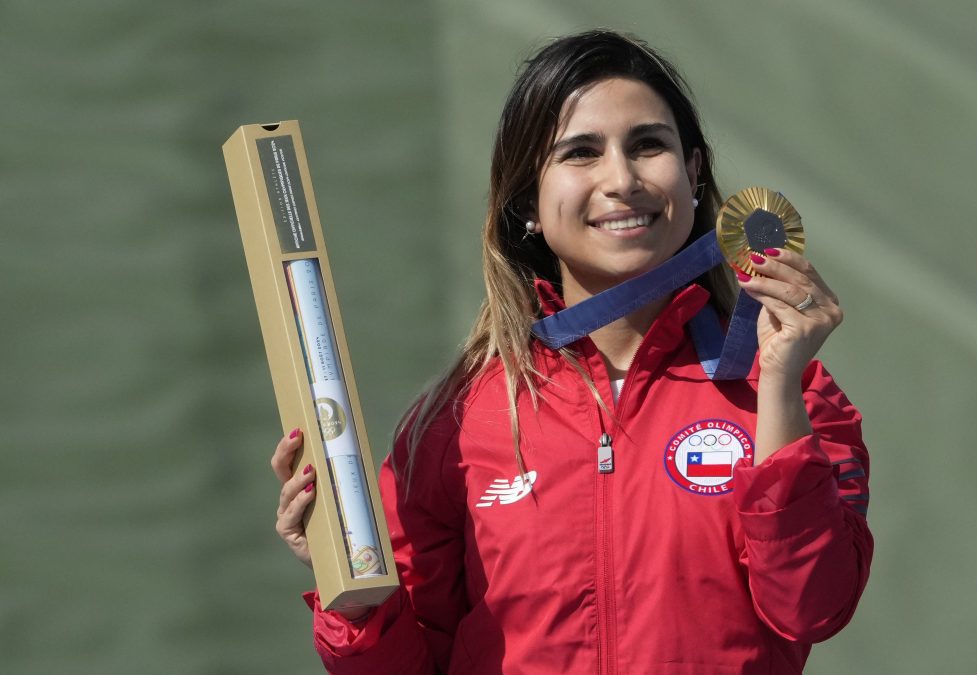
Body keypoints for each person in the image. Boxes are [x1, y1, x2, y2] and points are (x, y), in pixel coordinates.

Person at [271, 29, 872, 674]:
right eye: (581, 152)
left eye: (648, 145)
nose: (622, 179)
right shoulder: (456, 421)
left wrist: (777, 385)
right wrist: (350, 585)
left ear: (694, 172)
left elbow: (811, 609)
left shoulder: (794, 396)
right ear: (527, 197)